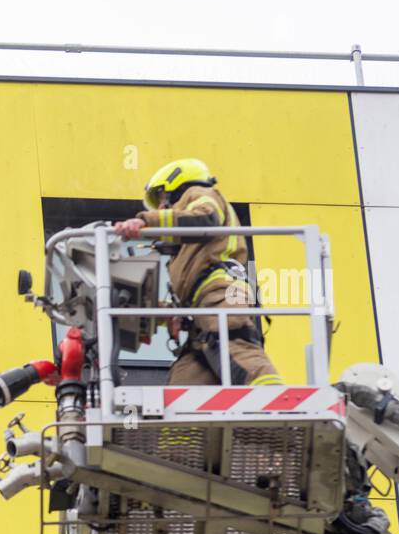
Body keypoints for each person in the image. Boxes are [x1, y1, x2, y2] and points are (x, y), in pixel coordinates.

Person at [115, 158, 282, 386]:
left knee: (232, 345)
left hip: (221, 294)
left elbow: (205, 218)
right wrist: (167, 316)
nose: (163, 208)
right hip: (199, 317)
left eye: (163, 199)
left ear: (176, 186)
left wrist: (146, 222)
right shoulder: (187, 255)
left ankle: (276, 402)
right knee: (183, 383)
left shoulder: (200, 194)